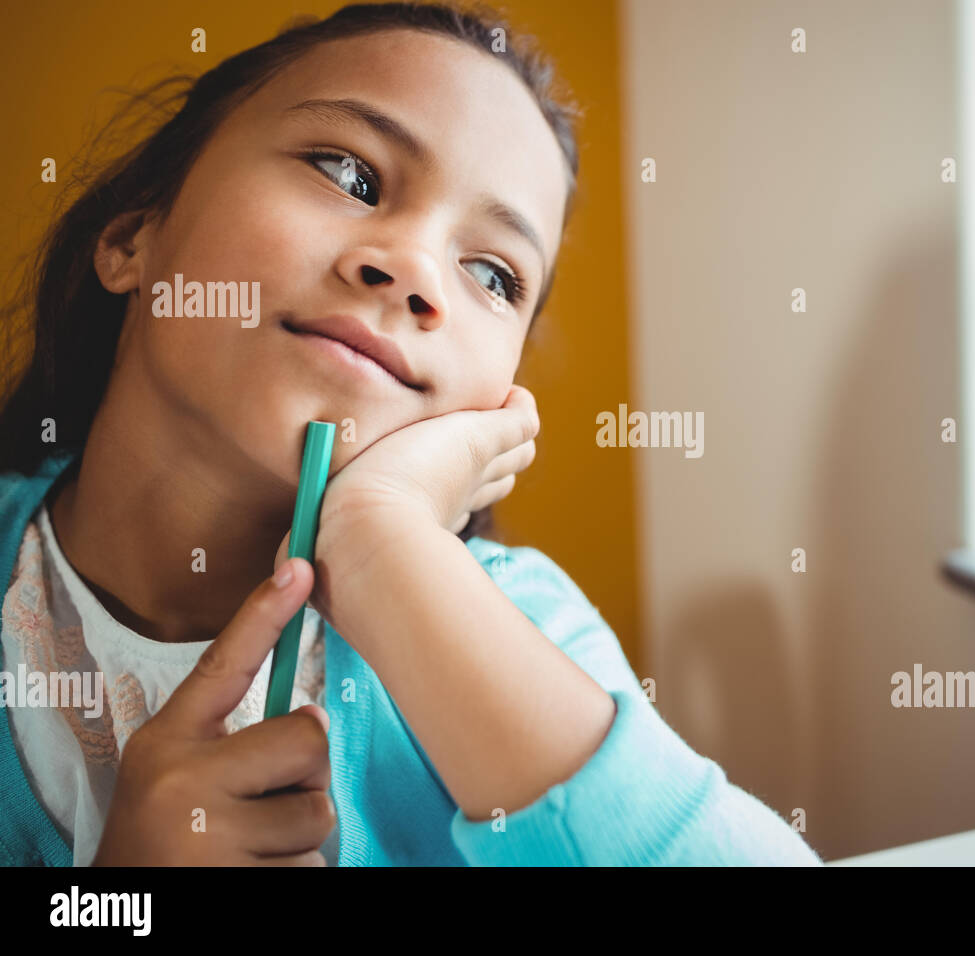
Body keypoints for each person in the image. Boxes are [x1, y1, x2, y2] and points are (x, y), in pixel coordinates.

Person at [0, 1, 821, 866]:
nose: (418, 273)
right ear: (135, 235)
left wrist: (380, 539)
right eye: (349, 175)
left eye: (492, 274)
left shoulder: (520, 629)